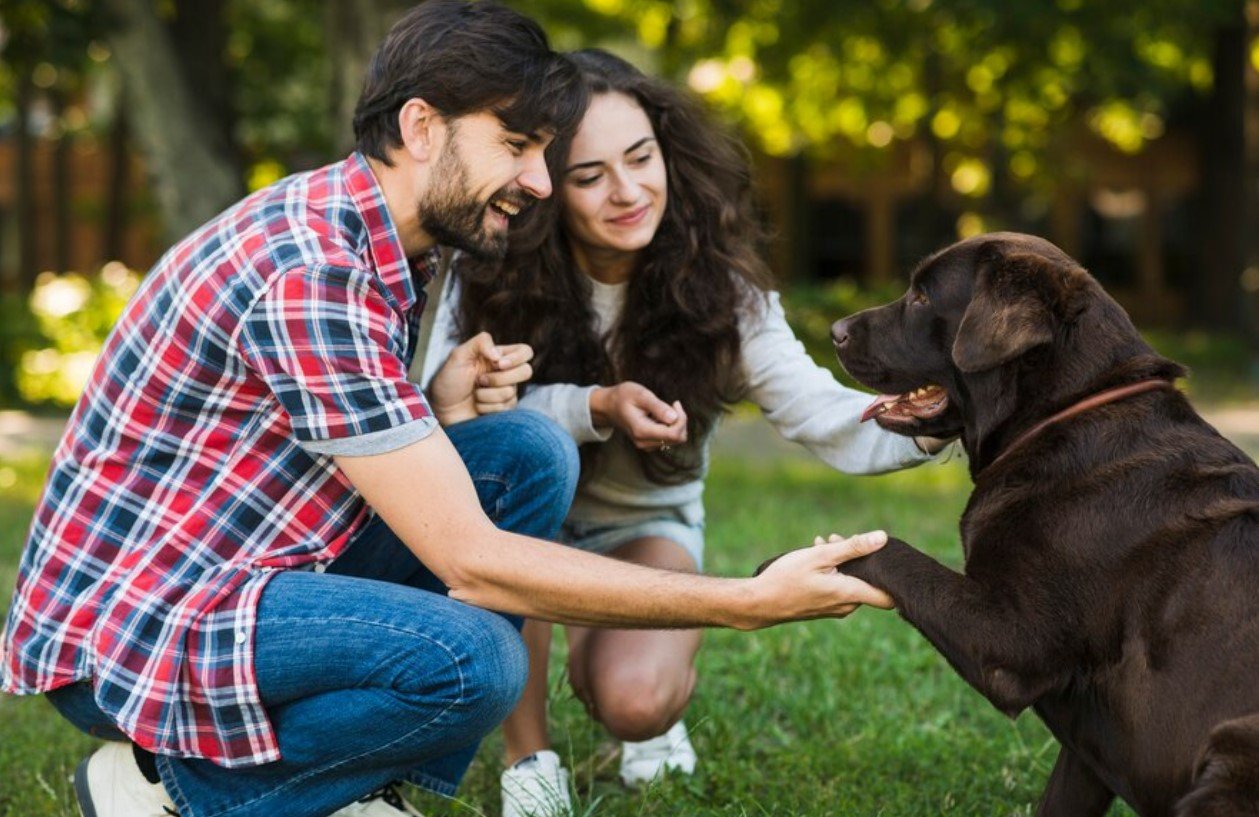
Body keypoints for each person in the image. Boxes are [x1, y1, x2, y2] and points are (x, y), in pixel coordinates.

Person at [0, 5, 897, 817]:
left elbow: (305, 439)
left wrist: (430, 405)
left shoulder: (389, 239)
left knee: (527, 452)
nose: (540, 182)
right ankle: (169, 788)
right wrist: (745, 600)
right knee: (477, 661)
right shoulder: (316, 271)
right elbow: (471, 563)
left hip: (251, 563)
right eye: (518, 145)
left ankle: (331, 783)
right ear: (421, 127)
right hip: (136, 624)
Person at [420, 49, 948, 817]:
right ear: (542, 189)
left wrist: (928, 421)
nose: (628, 191)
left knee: (637, 702)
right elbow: (437, 426)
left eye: (640, 158)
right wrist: (592, 404)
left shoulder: (724, 293)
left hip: (643, 522)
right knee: (512, 496)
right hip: (516, 526)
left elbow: (821, 414)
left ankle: (624, 689)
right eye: (589, 175)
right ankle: (528, 760)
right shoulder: (485, 273)